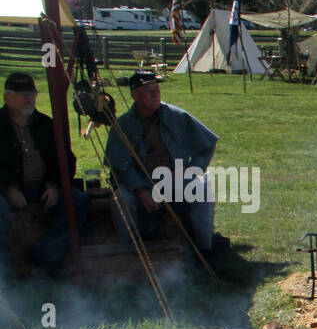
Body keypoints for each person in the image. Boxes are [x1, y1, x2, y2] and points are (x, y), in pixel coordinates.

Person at [104, 70, 218, 261]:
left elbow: (207, 144)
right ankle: (131, 255)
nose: (155, 94)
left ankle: (204, 251)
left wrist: (191, 170)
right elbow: (119, 166)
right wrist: (142, 191)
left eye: (156, 89)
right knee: (122, 200)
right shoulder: (123, 125)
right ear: (134, 95)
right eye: (148, 90)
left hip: (175, 178)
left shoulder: (176, 116)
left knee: (203, 189)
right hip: (140, 182)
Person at [0, 71, 89, 276]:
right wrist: (8, 188)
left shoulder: (46, 125)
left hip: (42, 187)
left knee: (79, 202)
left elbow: (66, 159)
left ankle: (46, 257)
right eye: (22, 95)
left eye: (31, 94)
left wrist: (54, 185)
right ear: (7, 97)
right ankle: (5, 270)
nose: (28, 99)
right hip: (7, 189)